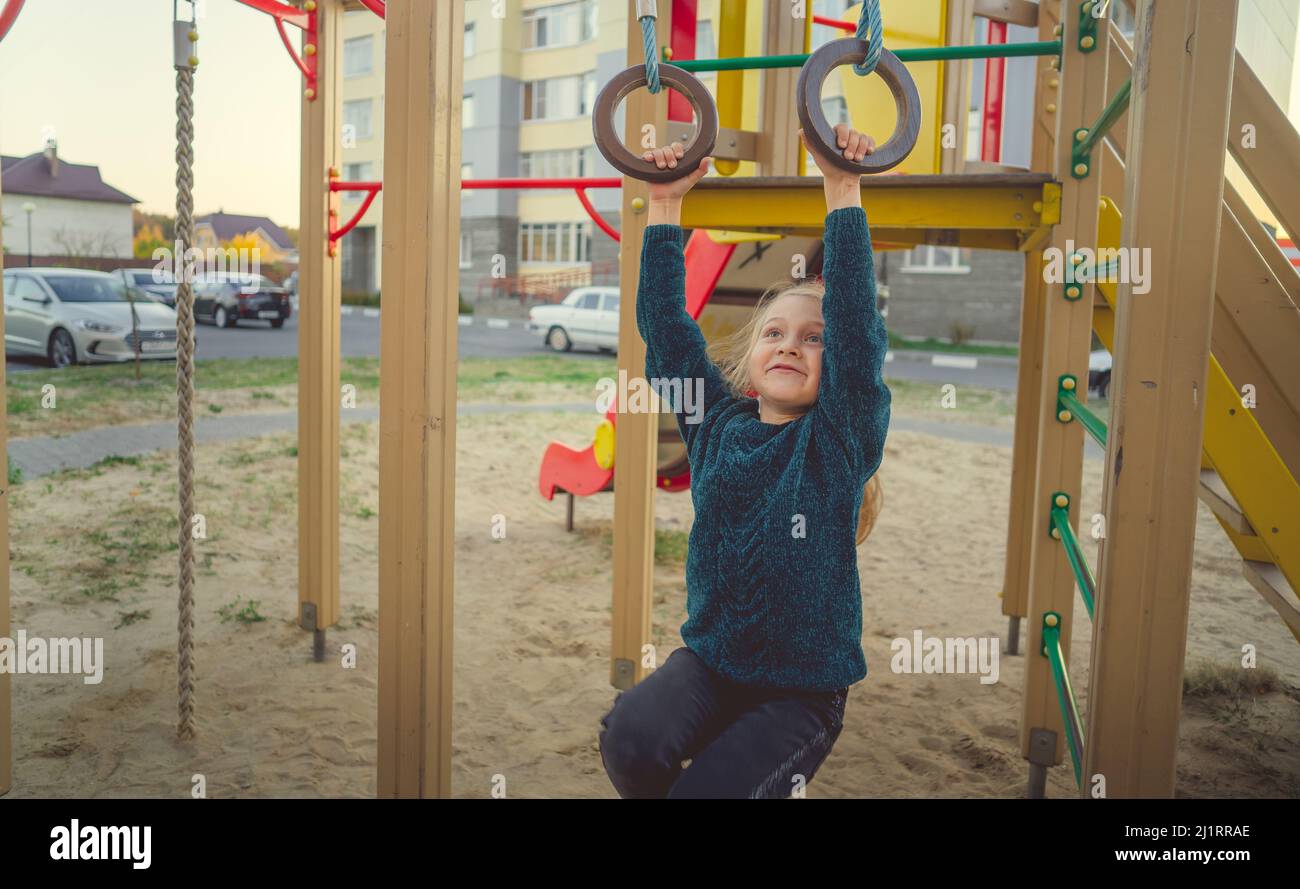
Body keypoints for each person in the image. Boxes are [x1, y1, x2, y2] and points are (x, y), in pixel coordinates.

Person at [597, 124, 892, 798]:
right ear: (752, 355)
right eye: (776, 332)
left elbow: (857, 330)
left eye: (814, 339)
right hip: (712, 666)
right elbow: (667, 332)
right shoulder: (715, 425)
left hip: (801, 693)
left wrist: (842, 187)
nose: (792, 345)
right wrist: (665, 207)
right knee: (630, 739)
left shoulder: (838, 440)